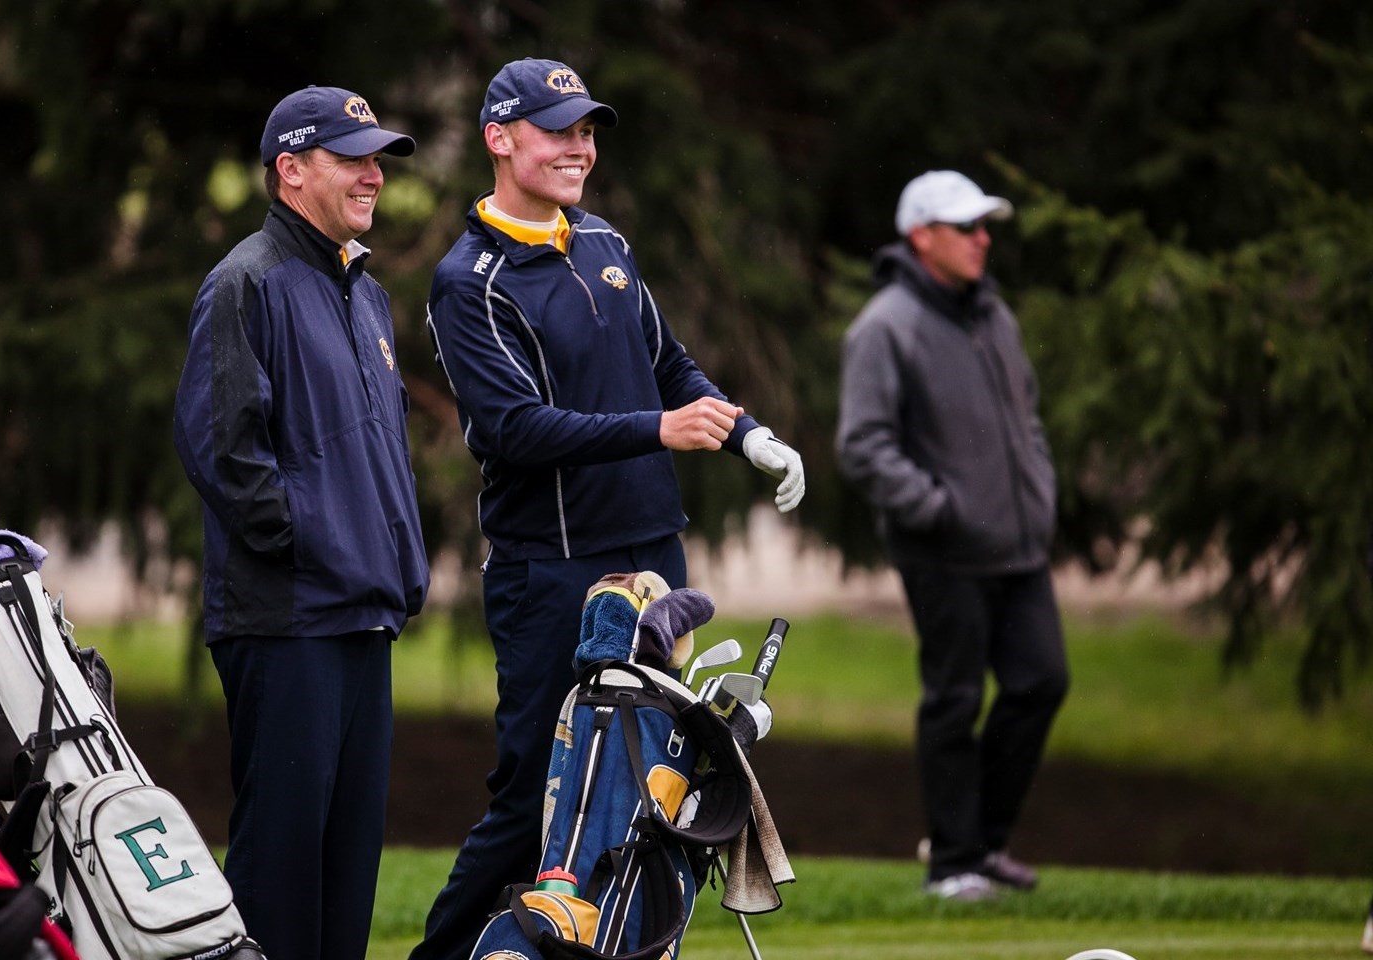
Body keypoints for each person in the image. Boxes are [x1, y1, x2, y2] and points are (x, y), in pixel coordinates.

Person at [411, 58, 805, 959]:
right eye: (558, 130)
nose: (579, 148)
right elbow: (514, 428)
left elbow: (670, 361)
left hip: (651, 551)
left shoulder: (604, 244)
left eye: (587, 131)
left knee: (653, 780)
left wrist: (745, 433)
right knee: (531, 799)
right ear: (499, 139)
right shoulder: (469, 278)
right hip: (551, 567)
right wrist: (659, 429)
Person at [172, 85, 429, 960]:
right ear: (290, 170)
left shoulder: (366, 294)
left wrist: (387, 559)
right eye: (351, 157)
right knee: (282, 877)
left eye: (377, 160)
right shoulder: (245, 281)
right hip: (288, 620)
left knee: (347, 875)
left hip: (364, 615)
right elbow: (220, 447)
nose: (372, 174)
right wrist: (312, 545)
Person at [836, 170, 1069, 902]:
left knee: (1041, 681)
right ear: (922, 237)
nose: (982, 239)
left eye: (983, 226)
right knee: (954, 699)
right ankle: (954, 866)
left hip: (1018, 545)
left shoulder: (993, 316)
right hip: (943, 550)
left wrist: (1039, 490)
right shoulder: (884, 327)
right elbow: (863, 446)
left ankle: (978, 842)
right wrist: (939, 508)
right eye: (966, 228)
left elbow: (1025, 418)